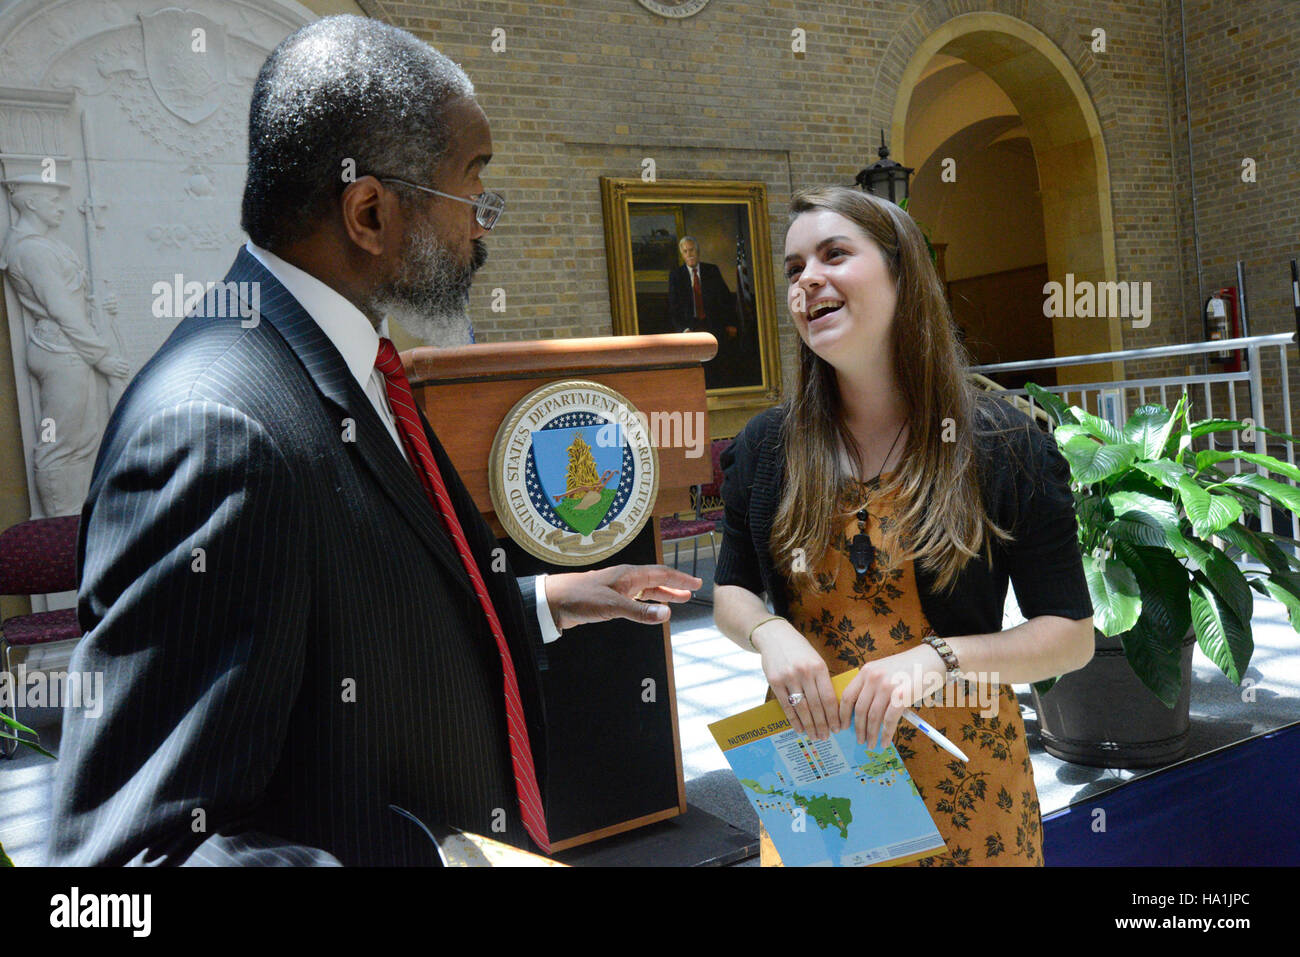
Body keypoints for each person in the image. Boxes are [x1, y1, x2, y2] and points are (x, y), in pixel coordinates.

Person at [47, 16, 699, 867]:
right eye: (473, 192)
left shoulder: (353, 360)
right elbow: (133, 863)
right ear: (369, 211)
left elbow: (365, 613)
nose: (483, 231)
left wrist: (552, 600)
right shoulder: (216, 435)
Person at [712, 185, 1094, 866]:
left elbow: (1069, 637)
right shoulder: (767, 446)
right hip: (822, 779)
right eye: (794, 267)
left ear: (902, 273)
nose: (808, 281)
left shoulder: (1003, 442)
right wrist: (766, 630)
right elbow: (730, 592)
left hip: (967, 782)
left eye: (834, 254)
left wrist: (940, 658)